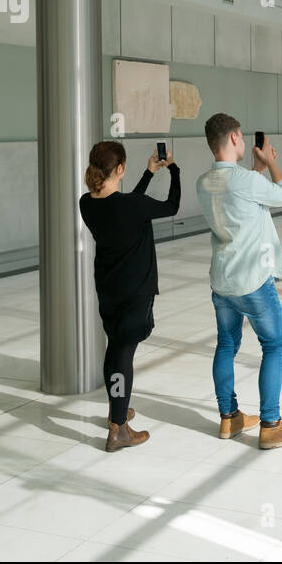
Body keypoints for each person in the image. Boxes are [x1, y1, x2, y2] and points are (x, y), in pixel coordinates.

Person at [197, 113, 282, 450]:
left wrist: (256, 171)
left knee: (226, 345)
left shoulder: (204, 182)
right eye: (242, 136)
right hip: (253, 280)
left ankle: (229, 418)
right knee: (274, 345)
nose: (245, 142)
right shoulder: (244, 180)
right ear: (233, 138)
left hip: (222, 281)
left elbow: (240, 197)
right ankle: (271, 425)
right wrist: (272, 165)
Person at [79, 141, 180, 452]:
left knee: (116, 348)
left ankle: (116, 409)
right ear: (120, 169)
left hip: (108, 290)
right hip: (135, 291)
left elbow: (126, 204)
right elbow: (171, 206)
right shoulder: (131, 207)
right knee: (124, 353)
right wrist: (173, 171)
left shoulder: (87, 203)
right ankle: (119, 429)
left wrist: (149, 173)